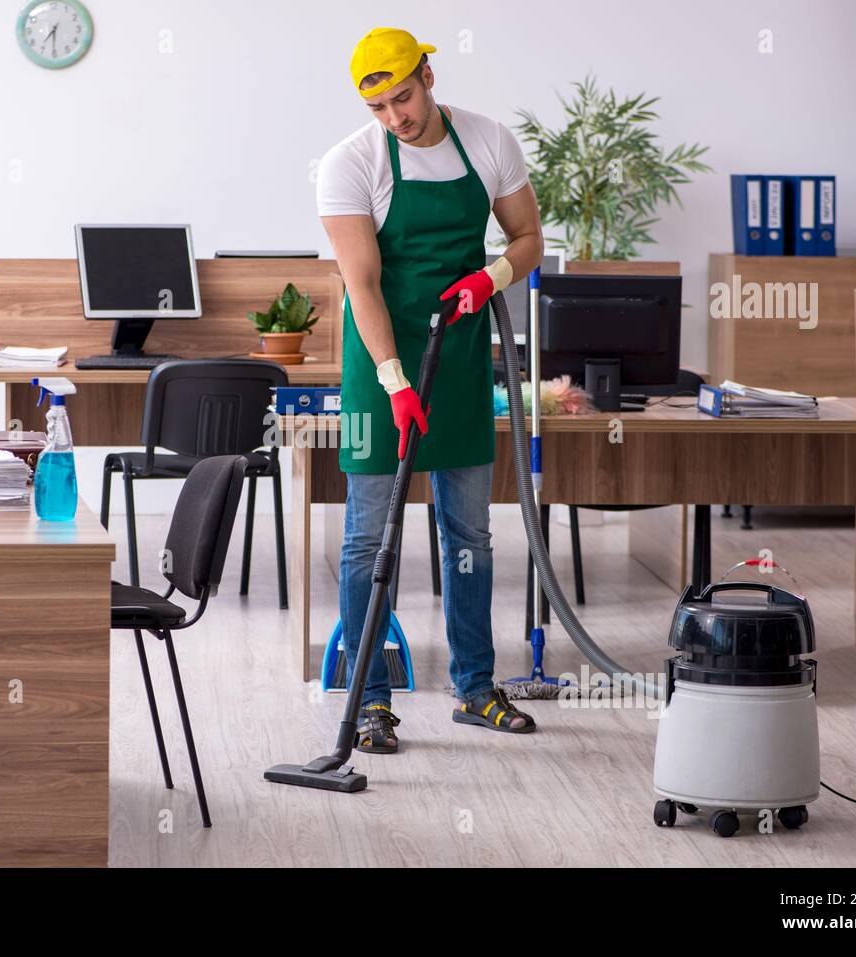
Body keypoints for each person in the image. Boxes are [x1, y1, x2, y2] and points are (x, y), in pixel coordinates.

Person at [316, 27, 545, 752]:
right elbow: (362, 282)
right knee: (365, 537)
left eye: (404, 97)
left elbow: (528, 239)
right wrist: (392, 382)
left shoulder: (488, 142)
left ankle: (476, 687)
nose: (396, 118)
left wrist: (491, 278)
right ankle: (371, 698)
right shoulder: (348, 164)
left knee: (470, 531)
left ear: (428, 76)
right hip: (373, 368)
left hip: (462, 355)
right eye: (380, 107)